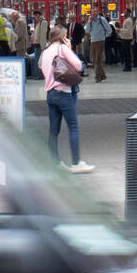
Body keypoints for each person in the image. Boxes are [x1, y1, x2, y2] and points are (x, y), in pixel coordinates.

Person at [39, 27, 94, 173]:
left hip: (50, 94)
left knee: (53, 130)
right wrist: (69, 48)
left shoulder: (46, 51)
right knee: (73, 127)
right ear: (63, 37)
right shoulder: (62, 48)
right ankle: (76, 164)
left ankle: (54, 162)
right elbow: (78, 65)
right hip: (63, 92)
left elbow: (44, 69)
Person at [87, 9, 112, 82]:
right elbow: (87, 31)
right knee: (94, 59)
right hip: (93, 41)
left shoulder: (102, 20)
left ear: (98, 12)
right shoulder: (90, 21)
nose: (94, 13)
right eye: (92, 12)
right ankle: (103, 75)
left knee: (98, 58)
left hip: (100, 41)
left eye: (95, 11)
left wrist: (104, 36)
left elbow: (109, 29)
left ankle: (97, 76)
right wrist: (89, 22)